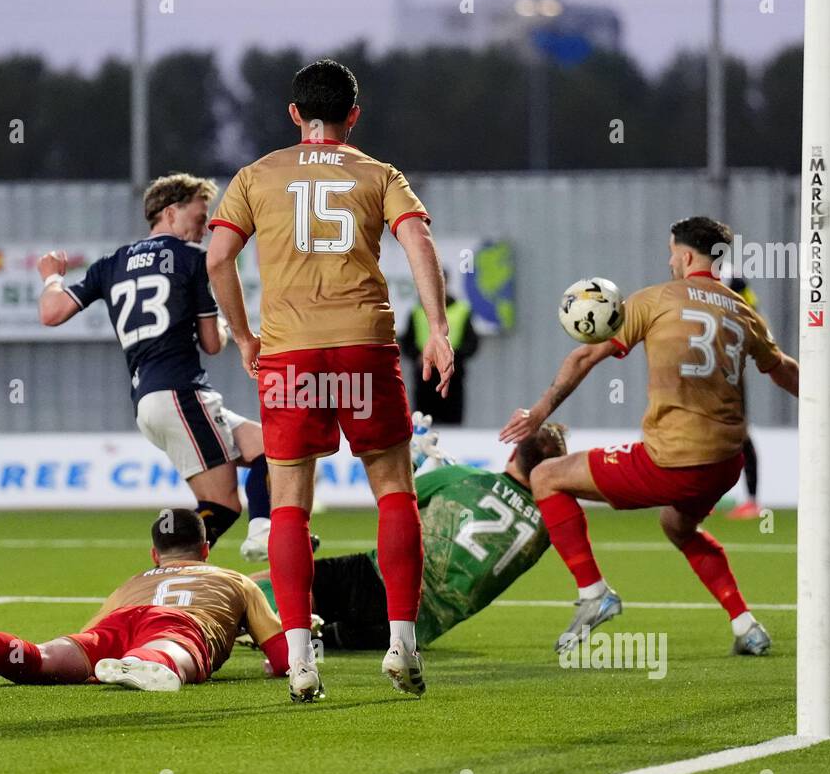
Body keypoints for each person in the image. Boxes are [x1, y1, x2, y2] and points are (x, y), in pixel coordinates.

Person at [500, 216, 830, 655]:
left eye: (670, 252)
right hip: (725, 465)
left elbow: (585, 358)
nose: (668, 260)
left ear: (685, 255)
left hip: (672, 461)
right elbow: (784, 371)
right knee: (677, 525)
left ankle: (593, 592)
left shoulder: (656, 300)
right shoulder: (741, 310)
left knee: (546, 476)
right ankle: (745, 624)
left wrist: (540, 410)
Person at [206, 58, 455, 702]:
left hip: (289, 354)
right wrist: (438, 331)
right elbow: (419, 244)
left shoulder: (256, 175)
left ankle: (298, 660)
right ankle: (401, 645)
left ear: (294, 115)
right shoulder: (379, 173)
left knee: (289, 499)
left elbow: (217, 258)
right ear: (355, 115)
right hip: (364, 348)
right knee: (394, 491)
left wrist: (242, 336)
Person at [36, 174, 274, 560]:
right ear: (170, 212)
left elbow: (51, 312)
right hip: (180, 392)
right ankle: (168, 568)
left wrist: (52, 277)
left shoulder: (111, 264)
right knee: (223, 503)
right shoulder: (193, 259)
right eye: (199, 218)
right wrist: (232, 331)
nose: (203, 228)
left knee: (273, 446)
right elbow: (212, 344)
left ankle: (263, 531)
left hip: (152, 400)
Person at [0, 508, 288, 692]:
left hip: (117, 622)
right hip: (180, 624)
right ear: (205, 551)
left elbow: (92, 635)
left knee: (46, 658)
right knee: (172, 651)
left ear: (154, 554)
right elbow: (284, 658)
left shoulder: (133, 581)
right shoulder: (233, 580)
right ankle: (146, 664)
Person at [248, 422, 565, 650]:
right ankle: (300, 632)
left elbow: (397, 498)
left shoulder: (466, 477)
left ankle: (231, 613)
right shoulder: (545, 529)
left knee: (267, 585)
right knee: (323, 634)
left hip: (378, 580)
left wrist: (415, 461)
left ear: (513, 453)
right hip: (415, 629)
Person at [399, 291, 479, 424]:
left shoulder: (461, 310)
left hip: (452, 375)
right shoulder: (416, 311)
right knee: (423, 423)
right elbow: (408, 342)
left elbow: (471, 344)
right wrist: (418, 355)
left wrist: (450, 356)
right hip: (425, 375)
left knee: (452, 423)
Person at [725, 275, 762, 519]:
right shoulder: (687, 277)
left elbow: (754, 312)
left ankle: (751, 500)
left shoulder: (733, 279)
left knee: (741, 433)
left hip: (730, 367)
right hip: (698, 366)